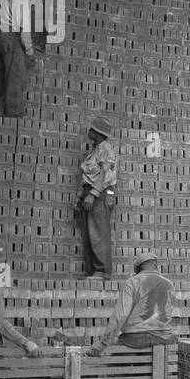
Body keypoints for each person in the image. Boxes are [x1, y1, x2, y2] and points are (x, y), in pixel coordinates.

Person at [88, 251, 175, 355]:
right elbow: (172, 314)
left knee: (116, 359)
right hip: (162, 339)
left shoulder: (132, 282)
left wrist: (103, 343)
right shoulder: (169, 284)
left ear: (137, 269)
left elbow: (121, 315)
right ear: (156, 265)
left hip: (135, 339)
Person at [0, 0, 47, 118]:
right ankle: (14, 114)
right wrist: (29, 51)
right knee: (15, 77)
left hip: (1, 38)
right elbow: (24, 30)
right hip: (12, 39)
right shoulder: (23, 1)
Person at [78, 116, 118, 278]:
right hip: (91, 193)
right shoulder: (96, 150)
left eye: (92, 129)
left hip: (99, 194)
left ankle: (101, 271)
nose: (89, 131)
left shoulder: (106, 149)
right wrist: (81, 196)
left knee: (99, 233)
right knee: (90, 234)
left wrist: (92, 195)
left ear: (98, 132)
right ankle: (93, 272)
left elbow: (105, 174)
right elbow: (88, 177)